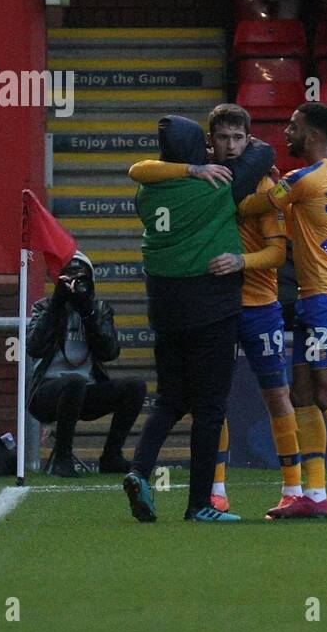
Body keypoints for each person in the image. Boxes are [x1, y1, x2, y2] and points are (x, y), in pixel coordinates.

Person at [128, 104, 306, 520]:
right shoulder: (220, 187)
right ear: (203, 146)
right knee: (210, 408)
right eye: (218, 139)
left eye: (235, 138)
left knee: (171, 399)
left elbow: (138, 169)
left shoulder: (146, 190)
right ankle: (200, 505)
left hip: (164, 309)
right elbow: (263, 155)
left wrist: (187, 168)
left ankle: (139, 471)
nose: (229, 146)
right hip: (211, 308)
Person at [237, 103, 327, 520]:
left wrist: (253, 167)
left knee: (326, 392)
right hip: (314, 296)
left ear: (314, 135)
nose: (287, 132)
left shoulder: (302, 179)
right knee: (302, 392)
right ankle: (314, 495)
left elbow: (249, 207)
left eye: (293, 126)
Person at [26, 251, 145, 477]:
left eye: (80, 279)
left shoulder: (99, 309)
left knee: (135, 386)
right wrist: (56, 306)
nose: (74, 285)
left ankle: (111, 456)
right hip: (46, 394)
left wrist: (88, 313)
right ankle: (62, 458)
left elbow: (109, 352)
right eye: (68, 279)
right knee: (73, 381)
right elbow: (34, 347)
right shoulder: (44, 307)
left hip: (85, 391)